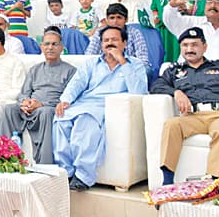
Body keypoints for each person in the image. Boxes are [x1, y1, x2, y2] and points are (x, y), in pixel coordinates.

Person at [53, 26, 148, 191]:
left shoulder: (135, 64)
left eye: (115, 40)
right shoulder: (91, 63)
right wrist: (65, 100)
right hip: (85, 102)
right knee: (61, 118)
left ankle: (83, 175)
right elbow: (77, 83)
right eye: (106, 40)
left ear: (124, 43)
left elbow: (139, 92)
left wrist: (123, 62)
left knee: (85, 121)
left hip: (108, 106)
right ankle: (65, 171)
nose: (110, 43)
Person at [151, 28, 219, 184]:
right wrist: (176, 92)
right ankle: (167, 182)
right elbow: (156, 86)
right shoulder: (174, 71)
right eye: (185, 45)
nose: (189, 49)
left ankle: (213, 182)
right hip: (193, 117)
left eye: (194, 45)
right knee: (172, 125)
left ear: (204, 47)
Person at [0, 28, 76, 164]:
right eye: (47, 44)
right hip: (30, 108)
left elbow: (69, 97)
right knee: (9, 109)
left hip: (50, 108)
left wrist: (41, 104)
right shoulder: (35, 69)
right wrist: (25, 102)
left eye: (54, 44)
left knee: (45, 112)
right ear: (41, 47)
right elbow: (24, 93)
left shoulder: (70, 71)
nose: (50, 47)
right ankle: (6, 158)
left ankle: (45, 164)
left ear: (61, 47)